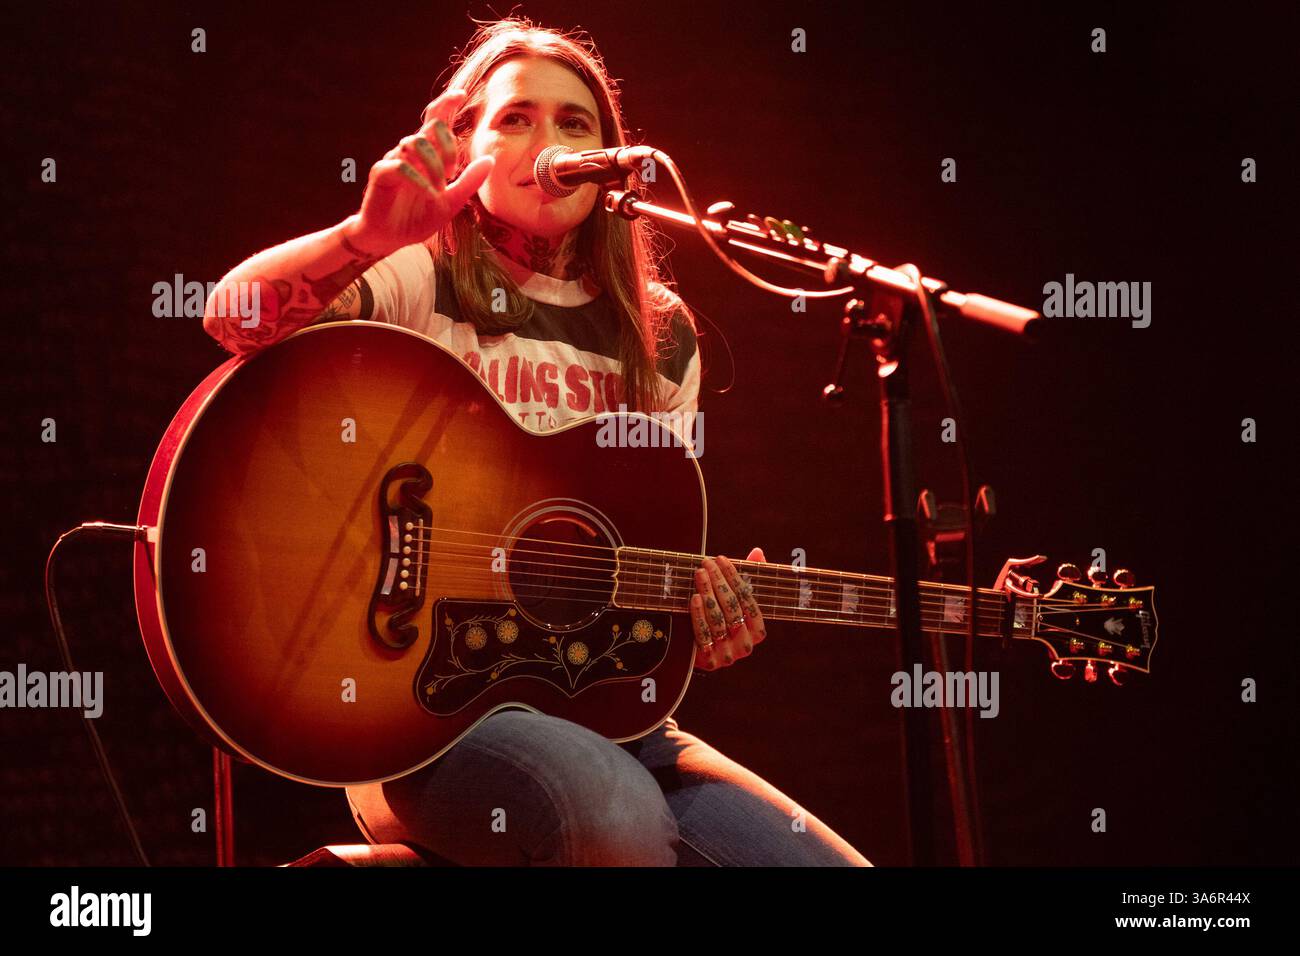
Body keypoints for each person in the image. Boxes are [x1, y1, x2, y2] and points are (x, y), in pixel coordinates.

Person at [203, 17, 870, 866]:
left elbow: (628, 567)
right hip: (418, 718)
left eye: (574, 123)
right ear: (464, 147)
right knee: (613, 820)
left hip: (613, 717)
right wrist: (365, 236)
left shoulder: (659, 339)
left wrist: (703, 613)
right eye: (514, 119)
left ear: (613, 165)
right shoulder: (419, 270)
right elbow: (232, 317)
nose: (547, 141)